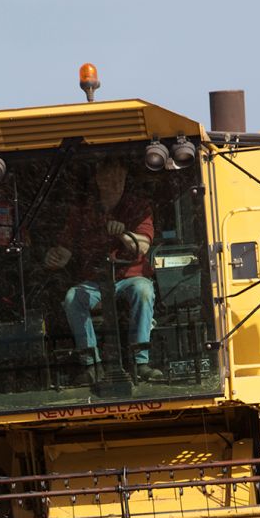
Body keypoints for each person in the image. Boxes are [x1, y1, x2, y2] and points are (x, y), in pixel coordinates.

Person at [45, 159, 164, 382]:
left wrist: (122, 233)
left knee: (144, 291)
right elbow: (65, 252)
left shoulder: (138, 207)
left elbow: (144, 246)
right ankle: (91, 365)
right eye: (109, 178)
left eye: (119, 178)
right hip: (95, 282)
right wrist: (52, 257)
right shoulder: (83, 211)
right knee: (73, 298)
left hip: (130, 278)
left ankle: (141, 362)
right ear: (98, 180)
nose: (115, 183)